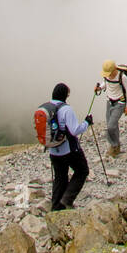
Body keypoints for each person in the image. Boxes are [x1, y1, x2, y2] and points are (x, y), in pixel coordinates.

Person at [46, 82, 93, 210]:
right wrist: (86, 123)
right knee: (82, 170)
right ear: (65, 95)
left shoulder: (47, 108)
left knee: (60, 178)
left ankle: (56, 207)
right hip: (68, 150)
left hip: (53, 150)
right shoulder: (66, 109)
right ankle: (67, 199)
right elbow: (74, 130)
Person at [95, 60, 127, 158]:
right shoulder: (107, 76)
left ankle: (114, 145)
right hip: (109, 101)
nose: (108, 75)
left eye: (109, 73)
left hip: (120, 103)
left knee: (111, 126)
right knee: (111, 125)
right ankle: (115, 146)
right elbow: (105, 83)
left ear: (114, 70)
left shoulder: (122, 77)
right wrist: (99, 88)